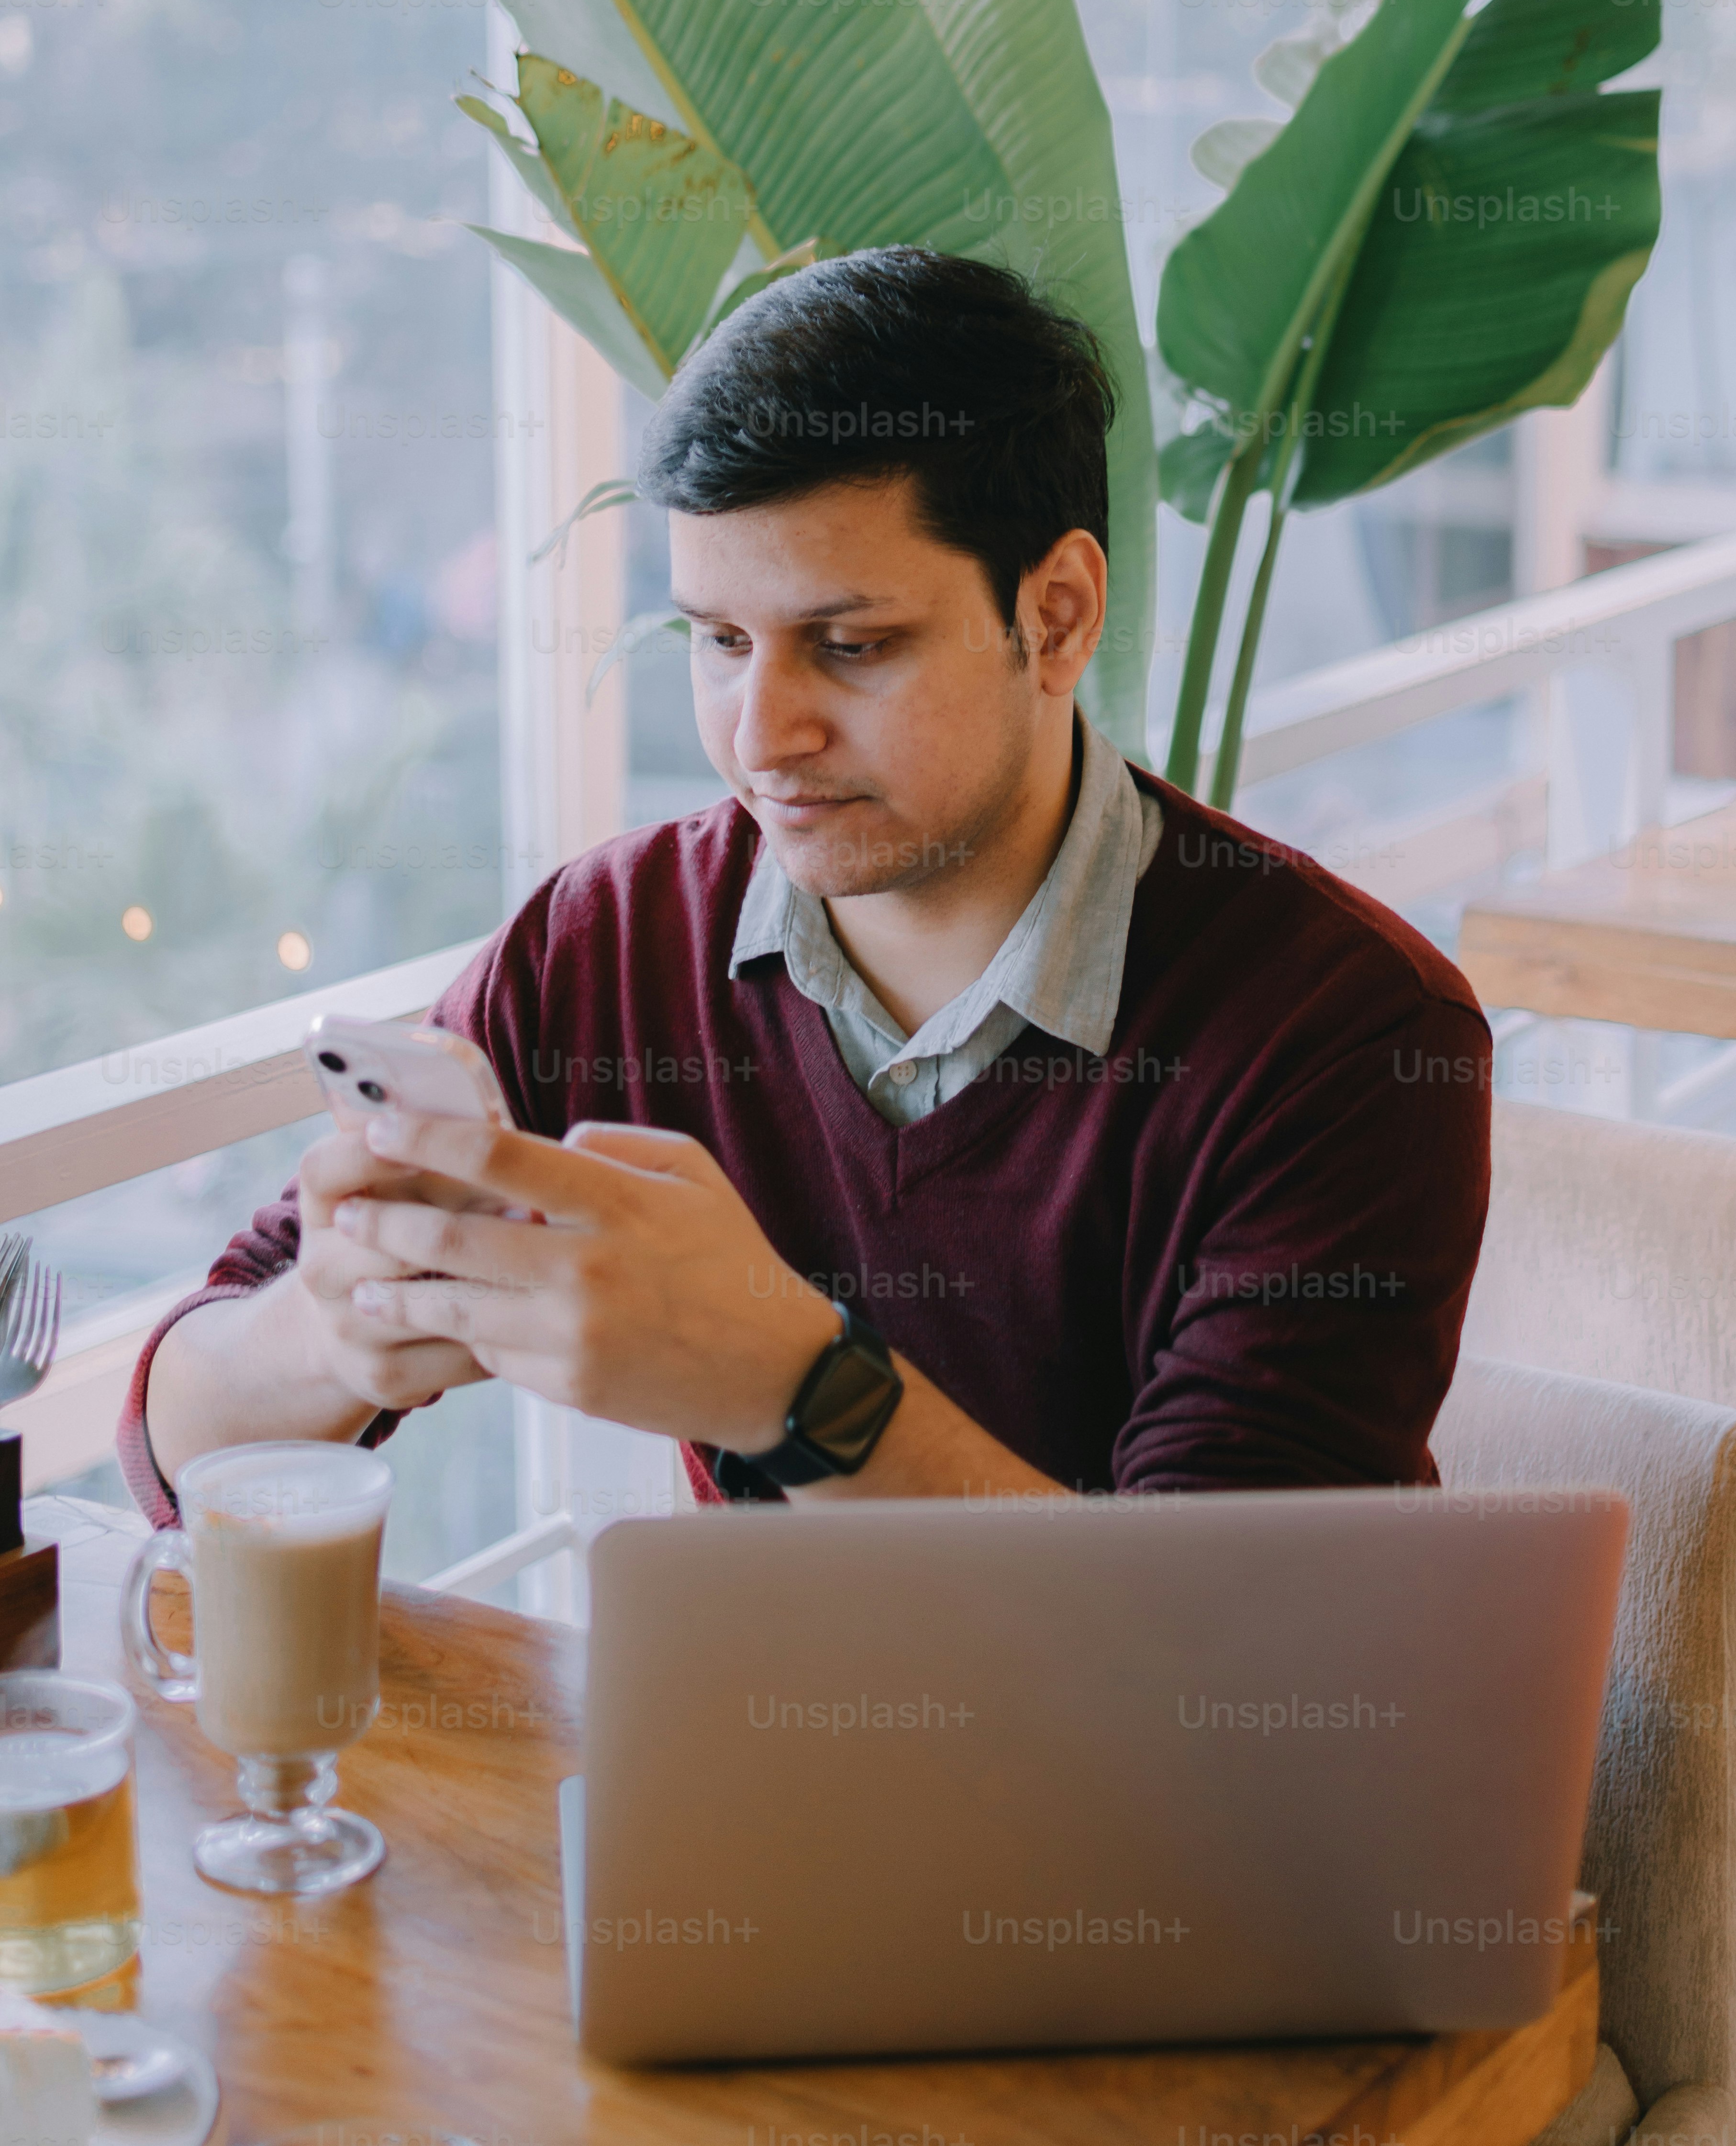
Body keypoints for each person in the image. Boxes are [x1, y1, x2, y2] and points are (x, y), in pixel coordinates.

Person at [122, 247, 1491, 1523]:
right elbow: (181, 1441)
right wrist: (339, 1325)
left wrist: (794, 1391)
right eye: (719, 640)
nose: (760, 736)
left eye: (851, 645)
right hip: (748, 1752)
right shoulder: (608, 945)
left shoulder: (1351, 1038)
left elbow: (1221, 1683)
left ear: (1058, 615)